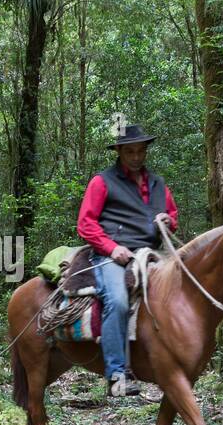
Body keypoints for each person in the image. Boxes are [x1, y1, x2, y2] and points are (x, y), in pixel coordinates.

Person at [76, 123, 179, 396]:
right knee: (118, 301)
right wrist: (111, 248)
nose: (136, 157)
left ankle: (170, 361)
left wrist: (167, 221)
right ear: (119, 151)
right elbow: (86, 224)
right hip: (113, 255)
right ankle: (116, 374)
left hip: (150, 253)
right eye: (130, 152)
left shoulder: (158, 184)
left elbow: (172, 218)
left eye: (140, 151)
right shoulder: (102, 182)